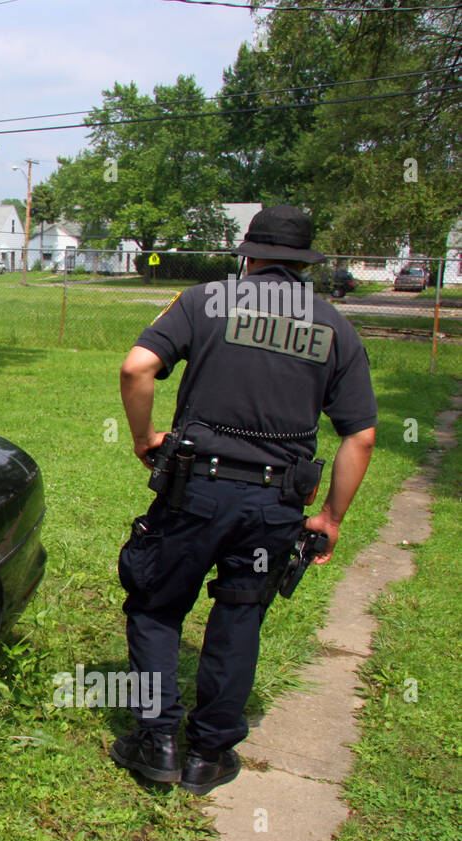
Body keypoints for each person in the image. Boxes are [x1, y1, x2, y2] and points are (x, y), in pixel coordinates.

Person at [110, 205, 378, 794]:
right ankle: (208, 755)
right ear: (306, 263)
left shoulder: (205, 300)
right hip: (275, 504)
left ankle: (155, 743)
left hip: (194, 489)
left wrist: (141, 439)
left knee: (156, 606)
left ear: (248, 254)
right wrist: (330, 518)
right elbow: (360, 433)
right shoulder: (336, 326)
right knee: (239, 617)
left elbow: (137, 368)